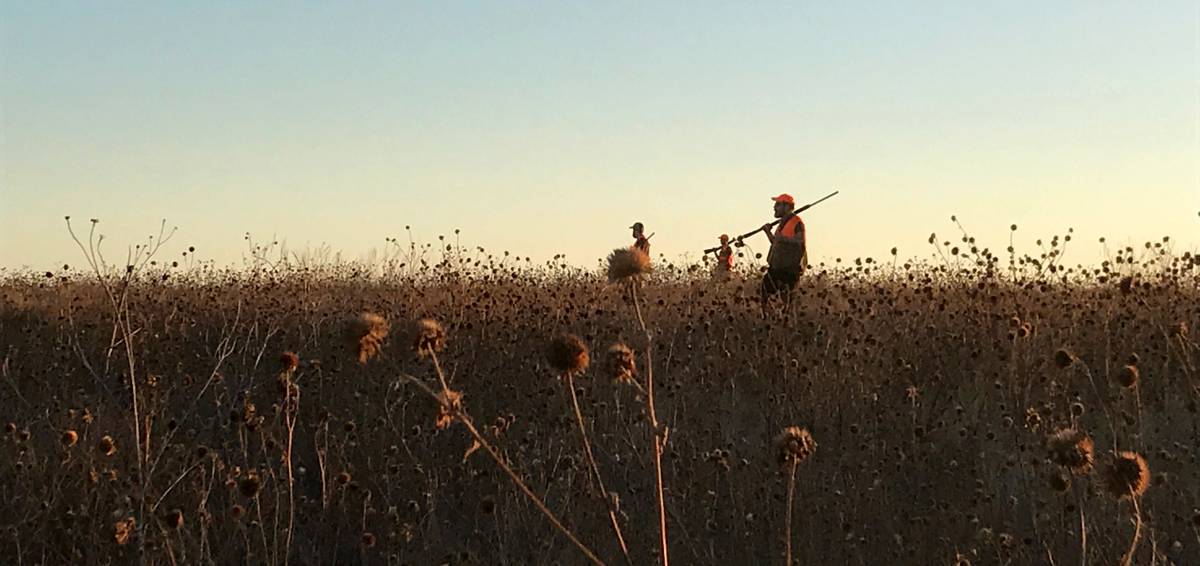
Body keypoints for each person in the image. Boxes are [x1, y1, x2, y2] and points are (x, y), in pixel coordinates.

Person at [760, 194, 806, 312]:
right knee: (765, 295)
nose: (774, 207)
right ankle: (769, 320)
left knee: (787, 303)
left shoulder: (796, 222)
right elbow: (776, 243)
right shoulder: (782, 223)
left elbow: (800, 241)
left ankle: (785, 323)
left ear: (786, 206)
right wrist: (768, 232)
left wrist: (782, 239)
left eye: (778, 204)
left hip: (789, 270)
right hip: (776, 268)